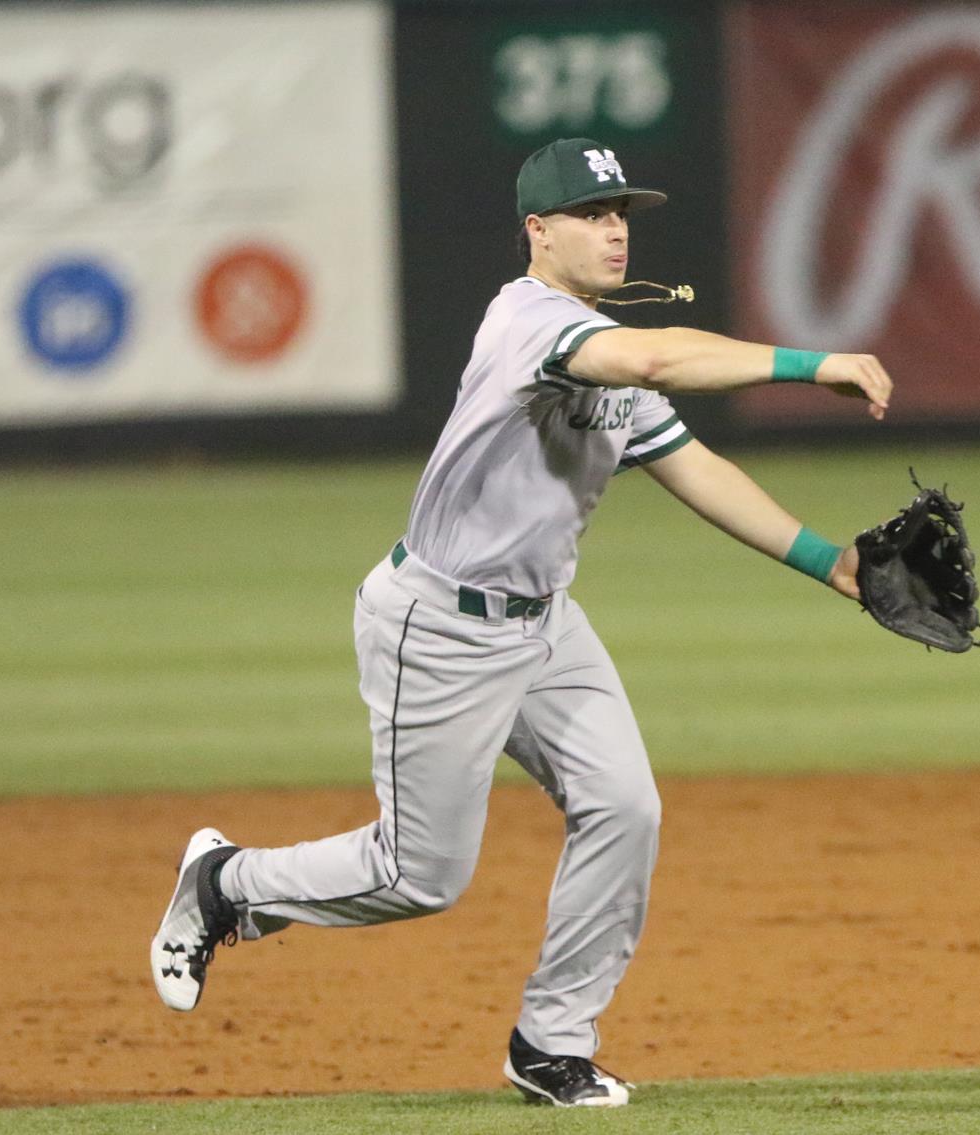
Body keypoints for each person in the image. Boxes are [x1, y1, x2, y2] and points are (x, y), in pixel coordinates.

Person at [151, 137, 893, 1108]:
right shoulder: (528, 323)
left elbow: (695, 468)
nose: (615, 231)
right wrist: (810, 363)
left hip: (545, 623)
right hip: (440, 626)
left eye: (621, 214)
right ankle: (225, 883)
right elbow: (656, 354)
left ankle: (550, 1042)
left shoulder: (608, 350)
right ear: (537, 231)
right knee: (418, 875)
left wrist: (833, 563)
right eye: (591, 215)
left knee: (624, 807)